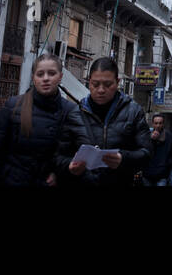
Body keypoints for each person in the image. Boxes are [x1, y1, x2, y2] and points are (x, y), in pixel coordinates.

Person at [0, 53, 76, 187]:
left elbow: (72, 158)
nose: (45, 78)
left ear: (60, 77)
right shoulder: (13, 106)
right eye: (40, 74)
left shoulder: (70, 112)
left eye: (51, 73)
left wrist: (59, 174)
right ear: (33, 78)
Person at [59, 57, 151, 186]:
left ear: (117, 82)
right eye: (95, 84)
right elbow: (58, 156)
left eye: (108, 85)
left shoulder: (133, 112)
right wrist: (70, 167)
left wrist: (122, 158)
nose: (101, 90)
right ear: (88, 82)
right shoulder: (75, 114)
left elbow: (147, 154)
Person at [139, 113, 172, 187]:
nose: (158, 125)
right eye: (156, 123)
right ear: (153, 124)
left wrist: (167, 165)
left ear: (163, 124)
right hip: (147, 174)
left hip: (162, 174)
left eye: (160, 123)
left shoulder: (169, 136)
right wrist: (151, 140)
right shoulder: (147, 135)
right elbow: (142, 150)